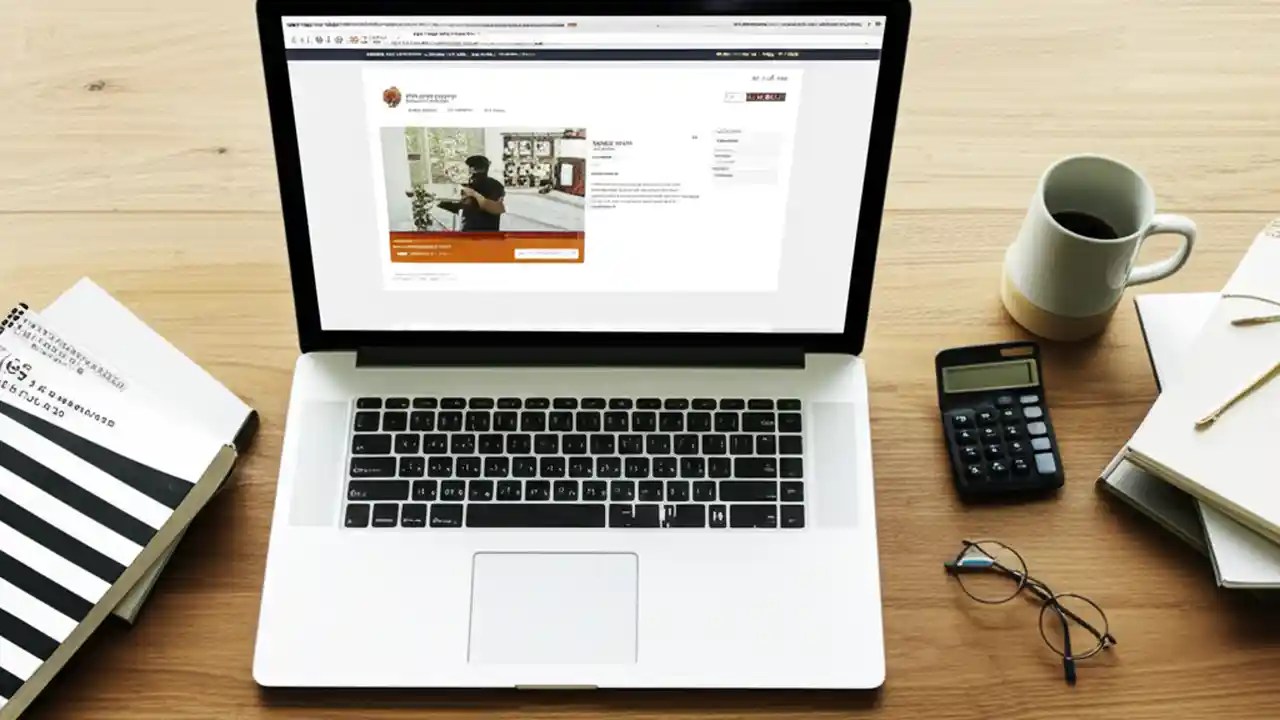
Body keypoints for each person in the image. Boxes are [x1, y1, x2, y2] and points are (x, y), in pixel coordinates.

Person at [456, 155, 505, 231]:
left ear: (473, 169)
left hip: (483, 233)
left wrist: (473, 194)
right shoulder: (470, 184)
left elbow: (495, 207)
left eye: (469, 168)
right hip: (473, 231)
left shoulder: (494, 186)